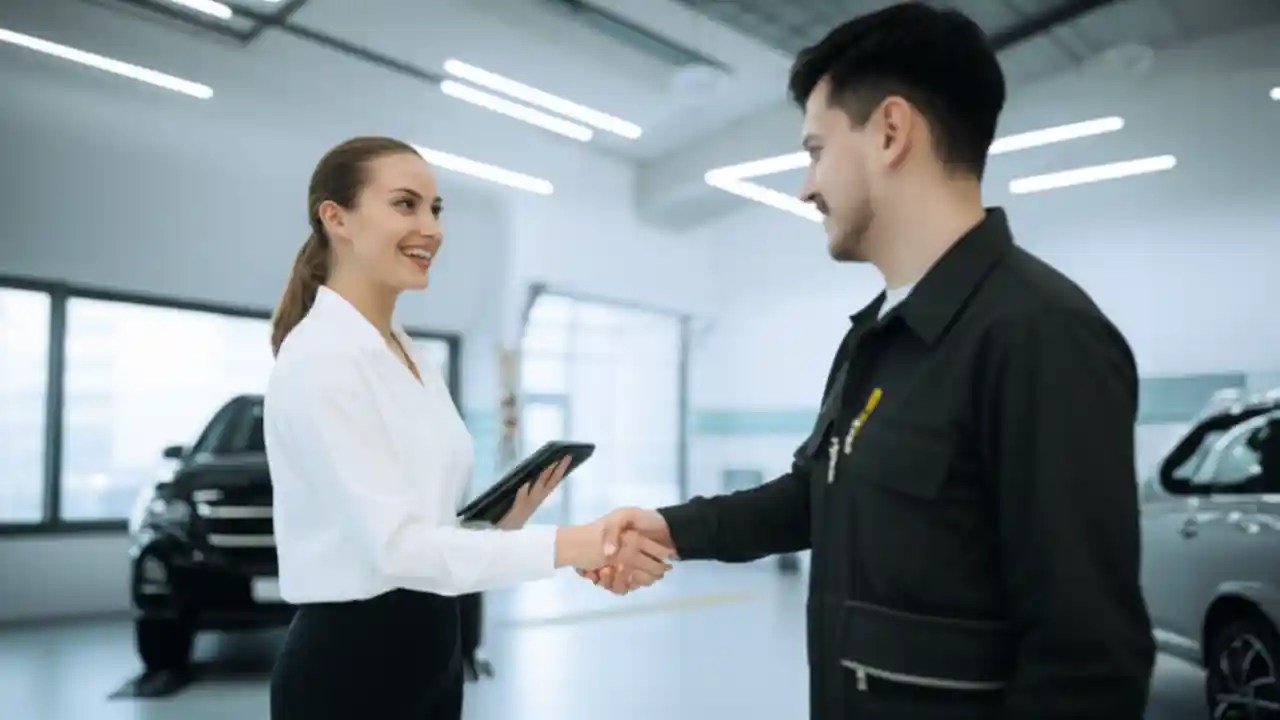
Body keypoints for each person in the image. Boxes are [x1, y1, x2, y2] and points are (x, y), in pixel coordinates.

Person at [583, 5, 1156, 719]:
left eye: (816, 150)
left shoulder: (1041, 335)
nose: (806, 186)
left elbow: (1088, 663)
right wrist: (672, 527)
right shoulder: (878, 335)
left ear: (890, 132)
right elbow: (815, 497)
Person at [262, 136, 673, 720]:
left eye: (435, 209)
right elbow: (397, 549)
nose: (430, 228)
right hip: (352, 669)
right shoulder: (322, 358)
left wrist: (496, 528)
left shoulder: (405, 353)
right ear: (336, 217)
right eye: (405, 204)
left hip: (430, 650)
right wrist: (579, 543)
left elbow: (424, 528)